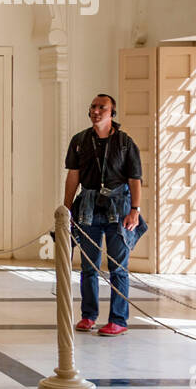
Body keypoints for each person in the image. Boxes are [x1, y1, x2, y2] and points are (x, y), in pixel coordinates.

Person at [62, 94, 146, 336]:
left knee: (118, 266)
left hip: (119, 209)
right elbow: (73, 176)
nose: (96, 111)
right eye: (93, 107)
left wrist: (135, 211)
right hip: (88, 208)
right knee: (89, 266)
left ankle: (118, 319)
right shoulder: (79, 140)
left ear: (112, 113)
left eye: (102, 107)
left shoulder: (125, 143)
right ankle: (89, 316)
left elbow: (134, 179)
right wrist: (66, 210)